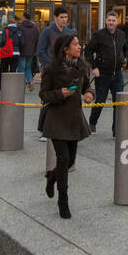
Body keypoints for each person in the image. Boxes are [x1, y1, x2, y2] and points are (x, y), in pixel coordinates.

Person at [39, 31, 93, 219]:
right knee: (62, 160)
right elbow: (44, 94)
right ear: (65, 49)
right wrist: (59, 94)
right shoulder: (51, 69)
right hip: (56, 119)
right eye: (76, 44)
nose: (79, 47)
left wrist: (89, 94)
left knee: (69, 161)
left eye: (79, 44)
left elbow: (87, 86)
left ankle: (52, 177)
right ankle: (63, 201)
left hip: (74, 119)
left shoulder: (81, 67)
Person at [86, 11, 127, 135]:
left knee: (118, 102)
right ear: (105, 21)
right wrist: (94, 67)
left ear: (117, 22)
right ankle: (92, 123)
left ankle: (116, 130)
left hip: (117, 74)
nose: (111, 23)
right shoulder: (99, 35)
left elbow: (125, 49)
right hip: (103, 74)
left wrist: (124, 59)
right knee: (100, 101)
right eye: (109, 20)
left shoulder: (121, 34)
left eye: (113, 20)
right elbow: (87, 51)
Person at [34, 8, 70, 139]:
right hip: (50, 71)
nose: (64, 20)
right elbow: (40, 51)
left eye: (66, 17)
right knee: (48, 100)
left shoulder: (69, 32)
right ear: (55, 18)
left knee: (65, 98)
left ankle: (63, 128)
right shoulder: (47, 32)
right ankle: (44, 130)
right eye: (61, 17)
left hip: (66, 71)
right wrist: (51, 65)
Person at [0, 13, 22, 92]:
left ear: (8, 23)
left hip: (7, 54)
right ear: (15, 23)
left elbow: (3, 41)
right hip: (16, 54)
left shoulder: (6, 30)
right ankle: (12, 89)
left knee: (3, 71)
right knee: (13, 71)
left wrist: (2, 46)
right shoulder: (19, 31)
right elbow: (22, 43)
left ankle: (2, 88)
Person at [19, 12, 40, 90]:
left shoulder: (20, 27)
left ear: (24, 17)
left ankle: (22, 86)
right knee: (28, 68)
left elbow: (18, 39)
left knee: (21, 69)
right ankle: (30, 81)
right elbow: (38, 39)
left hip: (22, 51)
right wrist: (35, 50)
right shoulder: (35, 28)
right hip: (31, 51)